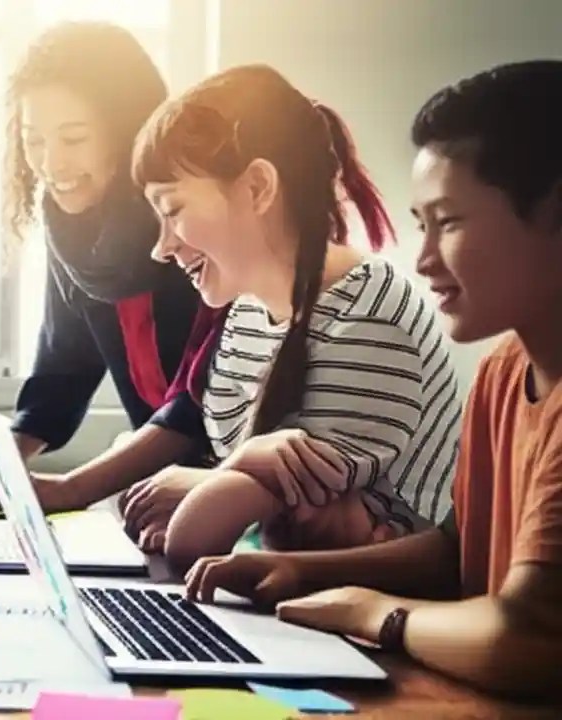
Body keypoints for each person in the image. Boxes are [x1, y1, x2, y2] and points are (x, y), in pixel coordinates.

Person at [184, 61, 562, 701]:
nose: (424, 260)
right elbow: (456, 551)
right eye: (422, 224)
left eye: (450, 222)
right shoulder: (503, 372)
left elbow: (524, 637)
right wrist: (298, 571)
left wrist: (371, 612)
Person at [124, 64, 462, 573]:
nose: (161, 246)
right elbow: (247, 517)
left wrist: (219, 481)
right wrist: (226, 485)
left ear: (258, 187)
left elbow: (191, 537)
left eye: (171, 209)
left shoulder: (368, 321)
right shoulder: (248, 314)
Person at [0, 22, 223, 513]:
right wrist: (9, 461)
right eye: (34, 140)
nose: (52, 164)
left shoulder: (189, 221)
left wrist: (72, 488)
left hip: (227, 476)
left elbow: (200, 400)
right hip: (159, 475)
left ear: (127, 130)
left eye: (73, 138)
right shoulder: (71, 224)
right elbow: (64, 359)